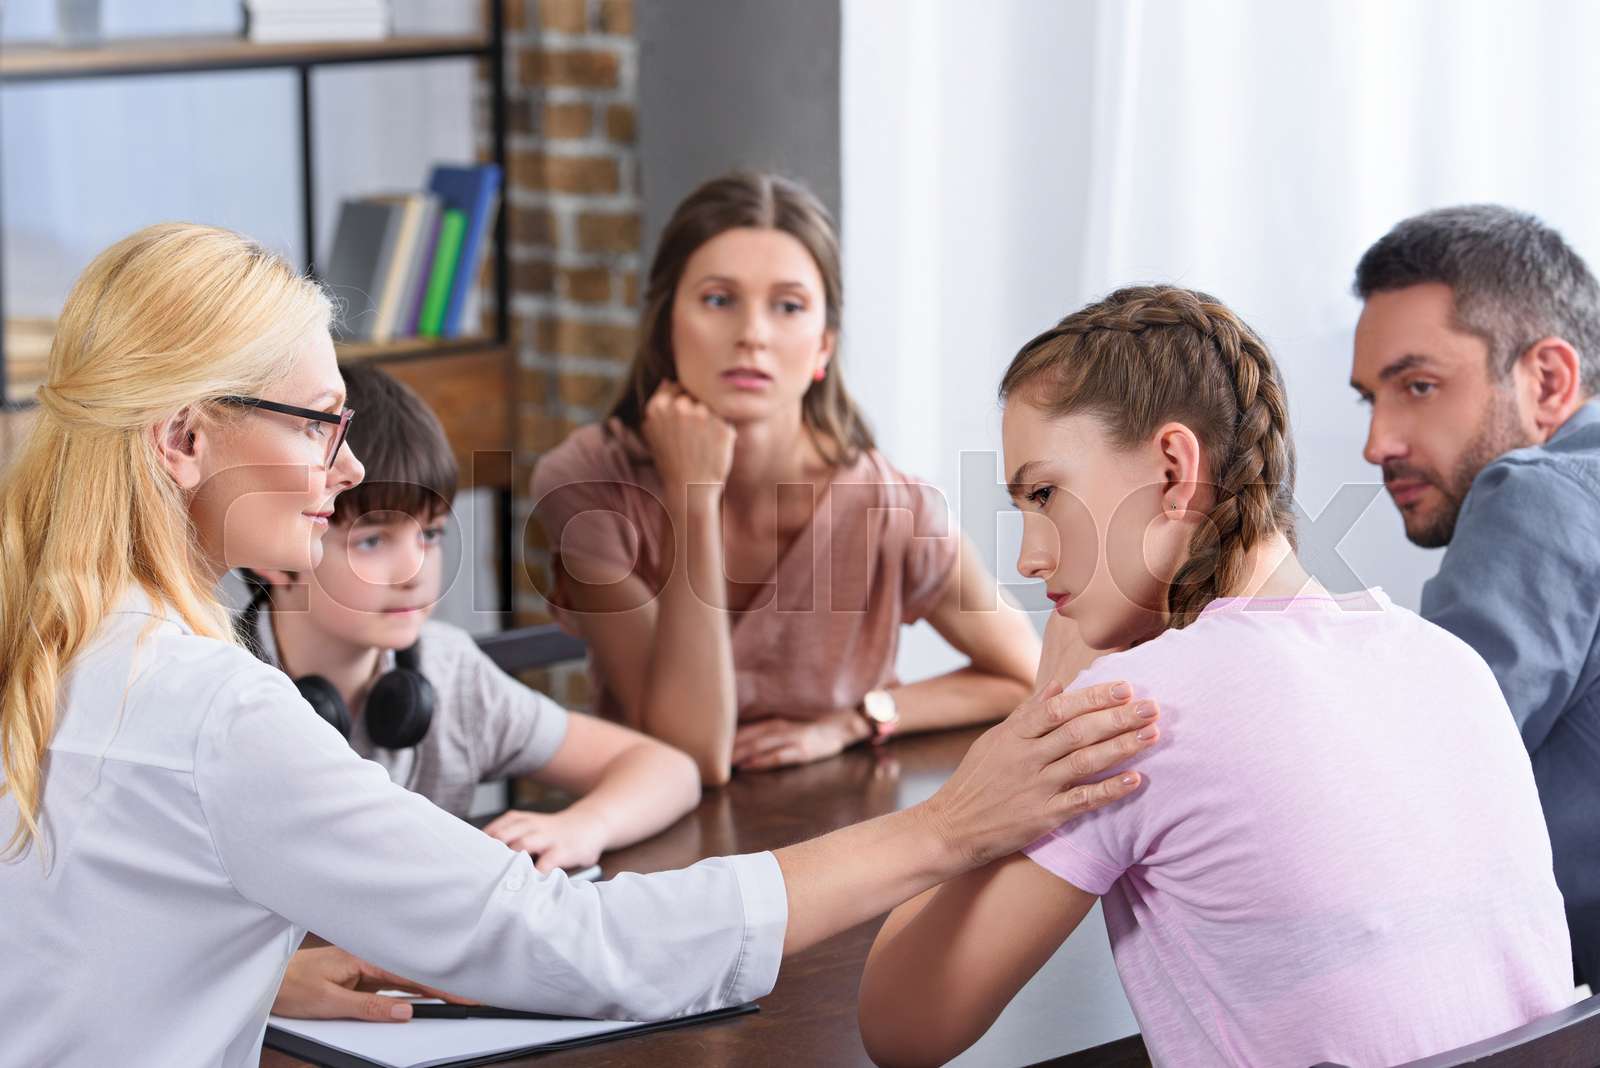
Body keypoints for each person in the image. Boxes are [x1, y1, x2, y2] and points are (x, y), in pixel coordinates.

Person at [0, 223, 1158, 1067]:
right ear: (187, 439)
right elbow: (575, 943)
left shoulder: (60, 648)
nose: (347, 469)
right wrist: (947, 828)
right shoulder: (212, 710)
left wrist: (255, 981)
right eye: (319, 424)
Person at [858, 286, 1571, 1068]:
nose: (1028, 557)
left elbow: (900, 1026)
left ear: (1172, 469)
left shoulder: (1137, 714)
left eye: (1044, 494)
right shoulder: (1447, 663)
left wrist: (1046, 711)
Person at [531, 172, 1041, 786]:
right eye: (719, 300)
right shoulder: (588, 485)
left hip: (841, 837)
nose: (753, 334)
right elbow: (694, 755)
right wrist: (694, 495)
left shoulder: (890, 508)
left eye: (789, 306)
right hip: (660, 849)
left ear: (824, 346)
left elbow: (1026, 672)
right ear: (668, 325)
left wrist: (858, 719)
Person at [239, 363, 700, 1022]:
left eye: (428, 535)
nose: (414, 572)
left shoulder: (448, 672)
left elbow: (669, 769)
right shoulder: (224, 691)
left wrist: (582, 825)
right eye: (372, 540)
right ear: (275, 550)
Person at [1350, 204, 1600, 984]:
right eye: (1371, 398)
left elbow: (1406, 787)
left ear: (1548, 379)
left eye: (1418, 386)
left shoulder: (1539, 491)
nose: (1377, 442)